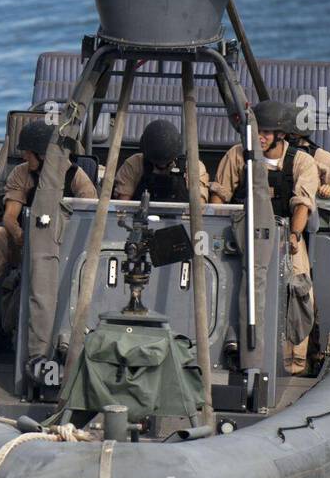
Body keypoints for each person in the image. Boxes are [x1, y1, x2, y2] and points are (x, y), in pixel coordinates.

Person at [0, 120, 96, 328]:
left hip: (65, 250)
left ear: (42, 155)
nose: (23, 156)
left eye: (28, 152)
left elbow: (90, 220)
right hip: (27, 244)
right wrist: (19, 234)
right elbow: (10, 216)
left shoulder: (76, 178)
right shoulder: (21, 174)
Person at [209, 99, 319, 374]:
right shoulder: (237, 155)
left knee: (298, 291)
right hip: (241, 234)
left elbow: (302, 203)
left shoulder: (302, 162)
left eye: (266, 132)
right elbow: (220, 195)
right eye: (258, 130)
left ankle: (293, 363)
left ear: (280, 135)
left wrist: (294, 236)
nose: (260, 136)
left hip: (284, 237)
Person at [113, 118, 210, 203]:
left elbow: (199, 206)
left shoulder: (193, 166)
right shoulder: (134, 163)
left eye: (166, 162)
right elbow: (123, 206)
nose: (162, 166)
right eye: (157, 163)